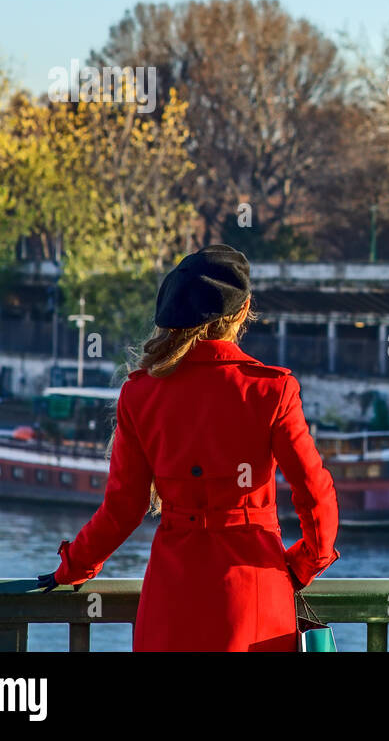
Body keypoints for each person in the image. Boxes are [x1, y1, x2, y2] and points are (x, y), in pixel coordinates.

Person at [37, 244, 339, 651]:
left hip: (172, 595)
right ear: (244, 309)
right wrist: (301, 566)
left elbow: (124, 507)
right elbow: (315, 494)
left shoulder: (141, 393)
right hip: (254, 591)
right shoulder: (271, 389)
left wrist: (72, 566)